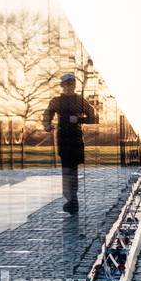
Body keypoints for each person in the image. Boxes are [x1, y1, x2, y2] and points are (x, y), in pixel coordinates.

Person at [43, 72, 95, 214]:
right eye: (67, 84)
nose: (70, 86)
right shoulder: (56, 101)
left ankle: (72, 199)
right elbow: (47, 114)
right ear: (62, 85)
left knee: (72, 169)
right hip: (63, 138)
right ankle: (71, 199)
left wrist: (78, 120)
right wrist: (47, 125)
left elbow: (93, 116)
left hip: (76, 138)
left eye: (72, 83)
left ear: (74, 85)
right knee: (67, 169)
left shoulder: (80, 100)